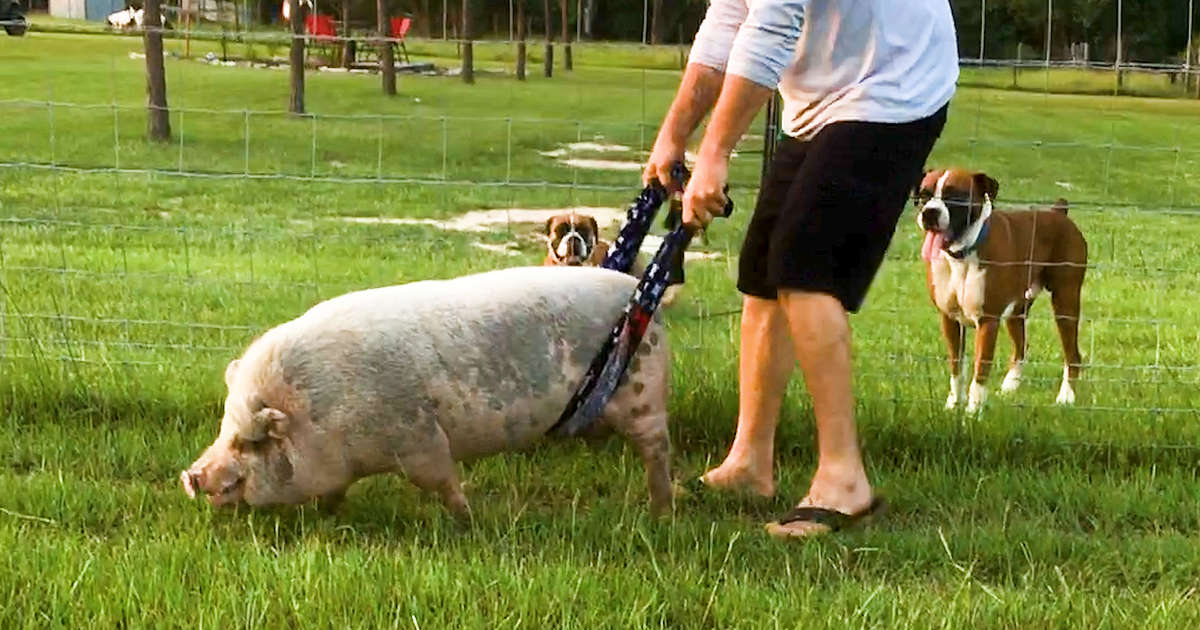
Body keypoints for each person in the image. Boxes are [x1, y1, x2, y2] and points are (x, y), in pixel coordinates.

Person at [643, 0, 959, 539]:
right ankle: (749, 463)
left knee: (804, 265)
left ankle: (844, 480)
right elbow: (728, 20)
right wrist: (674, 135)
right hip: (821, 100)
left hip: (895, 85)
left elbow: (773, 25)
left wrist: (715, 151)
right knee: (765, 271)